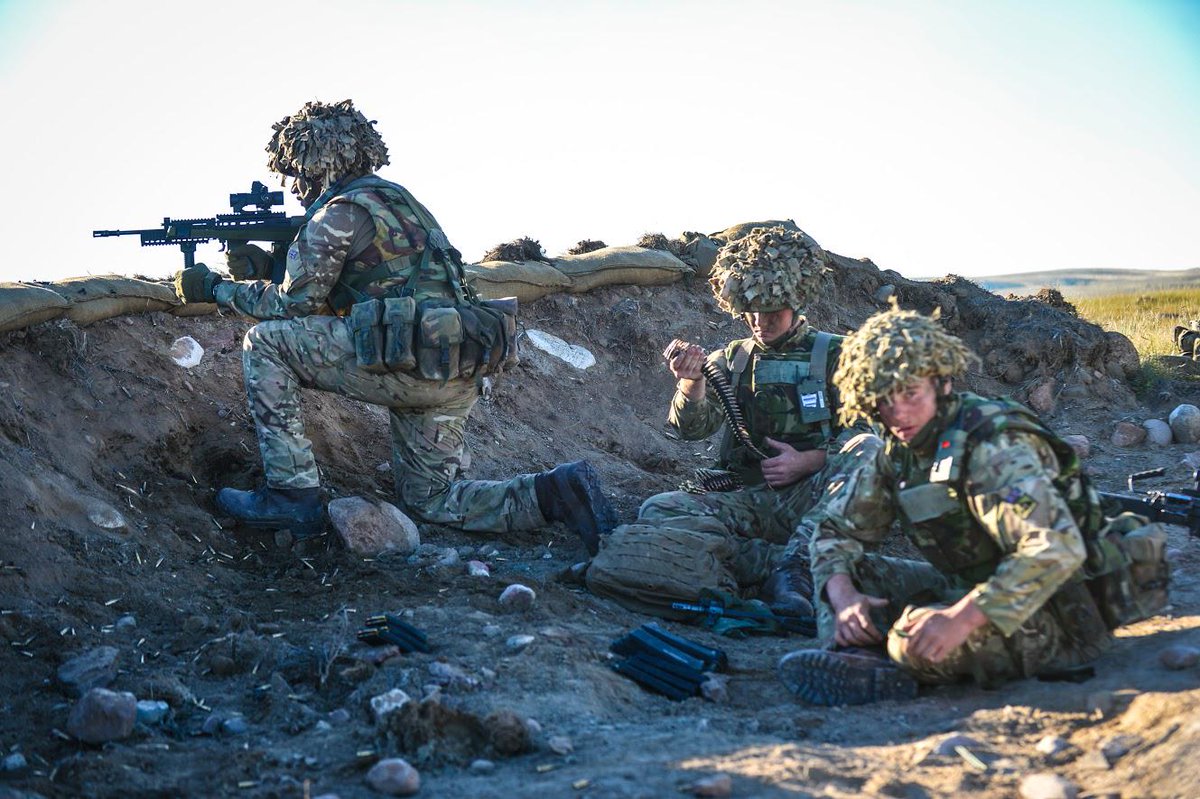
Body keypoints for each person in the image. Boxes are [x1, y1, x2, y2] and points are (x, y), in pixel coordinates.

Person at [172, 99, 615, 546]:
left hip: (405, 361)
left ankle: (291, 494)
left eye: (295, 175)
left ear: (314, 166)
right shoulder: (404, 204)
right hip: (455, 363)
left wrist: (214, 288)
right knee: (433, 500)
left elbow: (293, 307)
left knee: (264, 343)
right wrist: (272, 266)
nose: (295, 187)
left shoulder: (337, 214)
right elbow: (373, 288)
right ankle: (557, 492)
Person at [778, 305, 1170, 705]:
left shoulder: (992, 445)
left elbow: (1053, 547)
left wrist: (958, 619)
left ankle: (888, 663)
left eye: (910, 394)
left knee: (908, 643)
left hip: (1057, 613)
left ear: (941, 384)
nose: (898, 413)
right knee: (846, 576)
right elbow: (835, 531)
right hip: (967, 587)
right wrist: (845, 600)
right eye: (882, 401)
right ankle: (855, 656)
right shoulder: (899, 452)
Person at [584, 225, 878, 620]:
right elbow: (692, 431)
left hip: (814, 498)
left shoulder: (838, 355)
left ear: (797, 304)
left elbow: (868, 435)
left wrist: (808, 462)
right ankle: (775, 562)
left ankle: (796, 568)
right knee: (658, 510)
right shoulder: (732, 360)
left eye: (772, 312)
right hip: (748, 500)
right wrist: (692, 383)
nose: (760, 322)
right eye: (751, 312)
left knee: (871, 456)